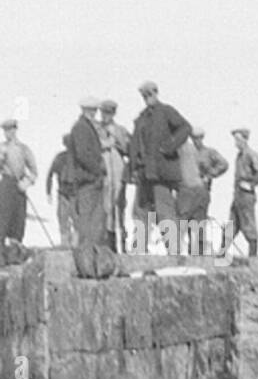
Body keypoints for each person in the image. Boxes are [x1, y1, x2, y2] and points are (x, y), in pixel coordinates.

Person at [130, 80, 190, 250]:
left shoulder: (166, 112)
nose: (148, 97)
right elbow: (135, 144)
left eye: (150, 94)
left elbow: (185, 128)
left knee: (165, 212)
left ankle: (174, 251)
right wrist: (134, 168)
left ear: (157, 93)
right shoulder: (141, 118)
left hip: (161, 172)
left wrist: (169, 146)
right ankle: (140, 249)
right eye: (144, 95)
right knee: (141, 212)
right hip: (144, 173)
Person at [66, 97, 106, 248]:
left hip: (89, 180)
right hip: (87, 181)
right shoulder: (81, 127)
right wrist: (98, 170)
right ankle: (86, 261)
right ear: (83, 110)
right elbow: (83, 155)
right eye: (90, 110)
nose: (93, 113)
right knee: (88, 223)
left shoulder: (84, 126)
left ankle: (90, 260)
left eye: (94, 110)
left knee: (92, 223)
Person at [180, 127, 227, 253]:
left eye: (199, 138)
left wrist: (210, 175)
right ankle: (187, 251)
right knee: (185, 221)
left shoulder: (209, 152)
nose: (197, 141)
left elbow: (223, 164)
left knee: (199, 221)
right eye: (194, 139)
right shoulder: (188, 153)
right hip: (188, 191)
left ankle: (199, 251)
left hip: (203, 192)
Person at [96, 100, 131, 252]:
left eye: (109, 113)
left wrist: (118, 142)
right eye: (103, 113)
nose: (105, 116)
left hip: (118, 171)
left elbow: (129, 148)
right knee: (105, 208)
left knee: (120, 207)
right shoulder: (96, 129)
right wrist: (105, 143)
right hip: (103, 172)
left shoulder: (121, 130)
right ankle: (108, 245)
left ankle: (122, 242)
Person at [228, 127, 258, 256]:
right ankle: (221, 254)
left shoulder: (250, 154)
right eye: (235, 140)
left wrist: (251, 184)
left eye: (238, 139)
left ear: (245, 140)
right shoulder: (240, 156)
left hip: (246, 195)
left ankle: (253, 256)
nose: (236, 142)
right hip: (238, 194)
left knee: (248, 224)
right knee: (232, 224)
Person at [0, 118, 37, 246]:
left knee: (19, 219)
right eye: (5, 131)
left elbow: (34, 171)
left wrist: (26, 182)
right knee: (3, 218)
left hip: (20, 187)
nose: (8, 133)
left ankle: (15, 253)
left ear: (15, 130)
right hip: (6, 185)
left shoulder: (23, 148)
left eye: (10, 130)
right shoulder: (1, 147)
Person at [46, 136, 72, 245]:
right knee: (64, 220)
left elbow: (50, 175)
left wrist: (48, 192)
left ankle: (69, 245)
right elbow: (50, 175)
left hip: (72, 194)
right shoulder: (61, 158)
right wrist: (48, 192)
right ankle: (67, 244)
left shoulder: (60, 157)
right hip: (66, 193)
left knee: (66, 221)